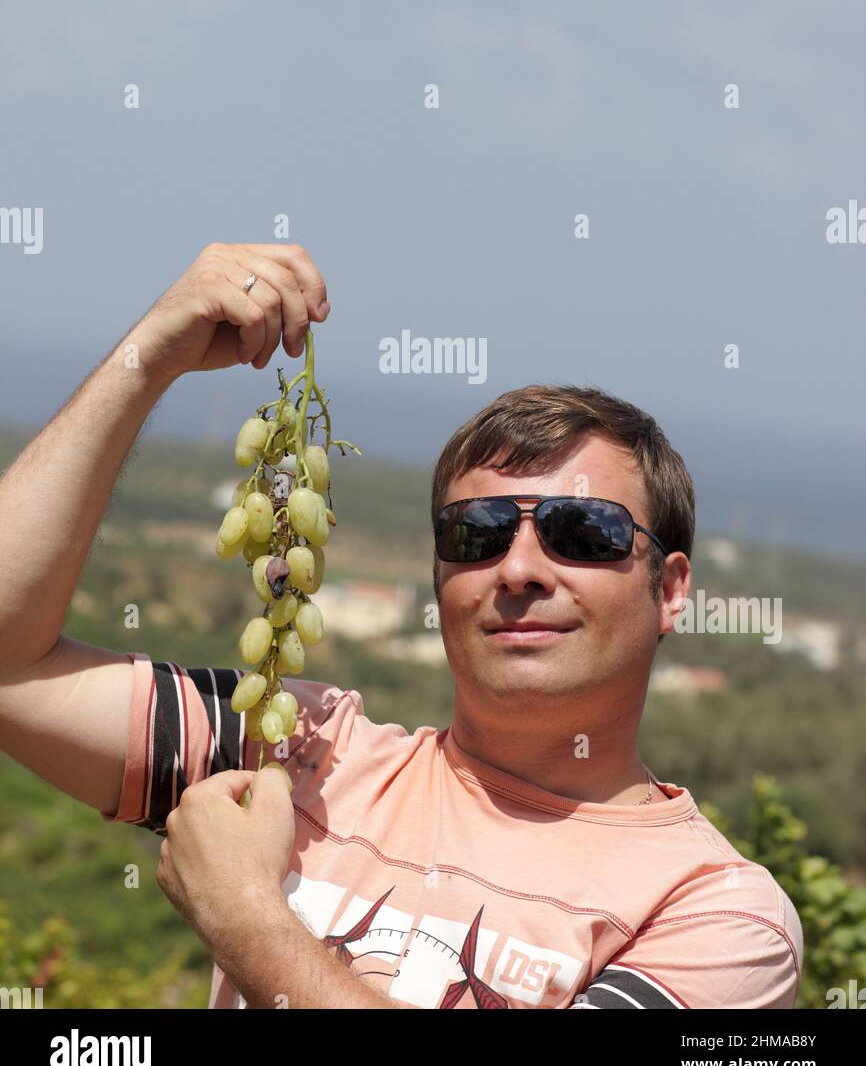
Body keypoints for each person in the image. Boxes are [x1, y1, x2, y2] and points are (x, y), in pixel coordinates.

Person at [0, 242, 803, 1011]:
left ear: (669, 589)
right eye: (477, 533)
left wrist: (246, 918)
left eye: (582, 531)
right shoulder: (302, 751)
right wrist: (153, 351)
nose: (519, 568)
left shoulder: (718, 919)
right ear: (440, 577)